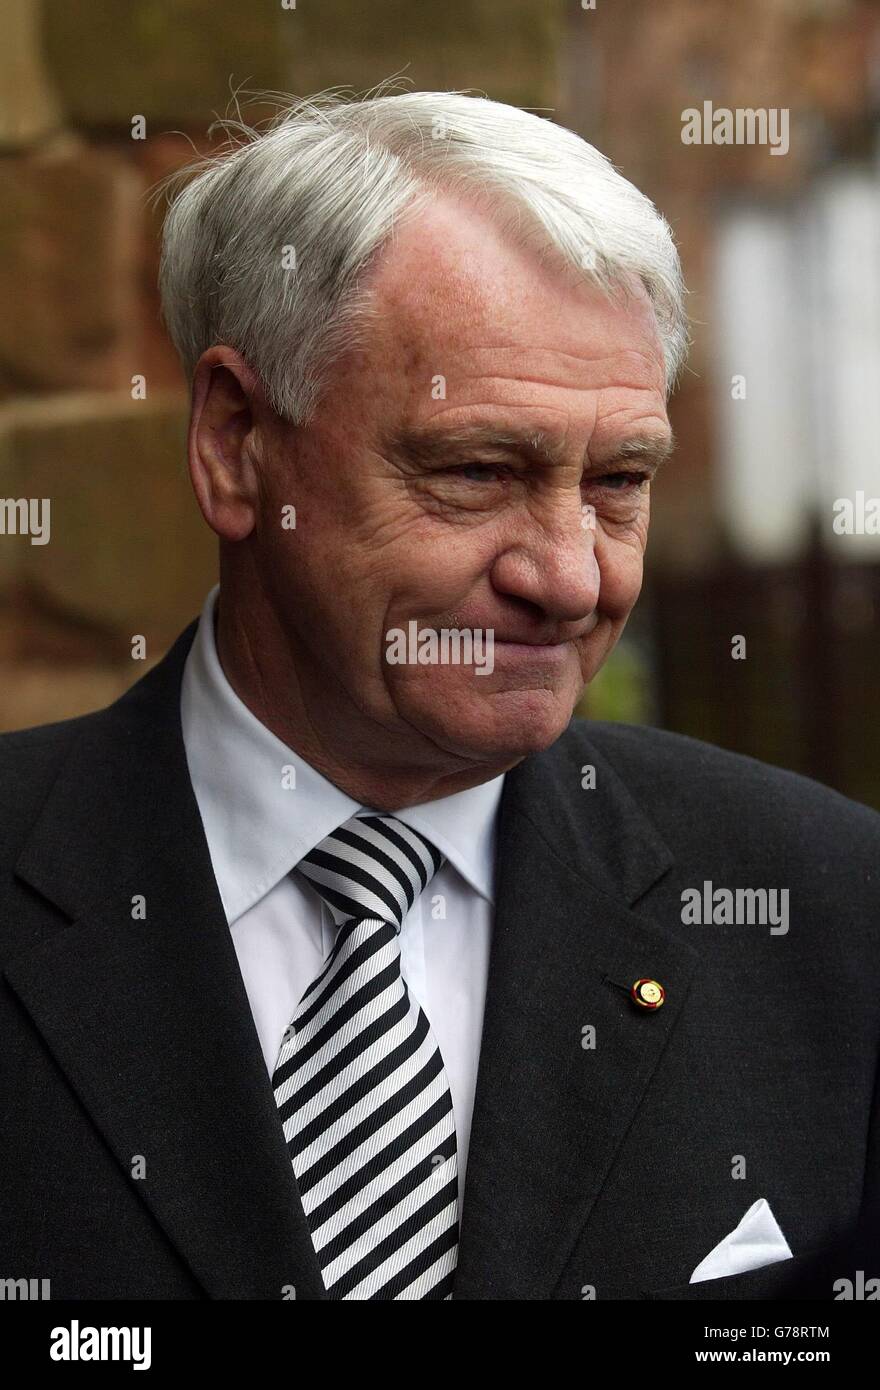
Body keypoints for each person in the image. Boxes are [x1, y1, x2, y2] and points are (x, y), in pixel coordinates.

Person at [1, 91, 877, 1301]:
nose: (570, 576)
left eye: (619, 480)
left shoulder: (828, 906)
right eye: (476, 470)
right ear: (234, 441)